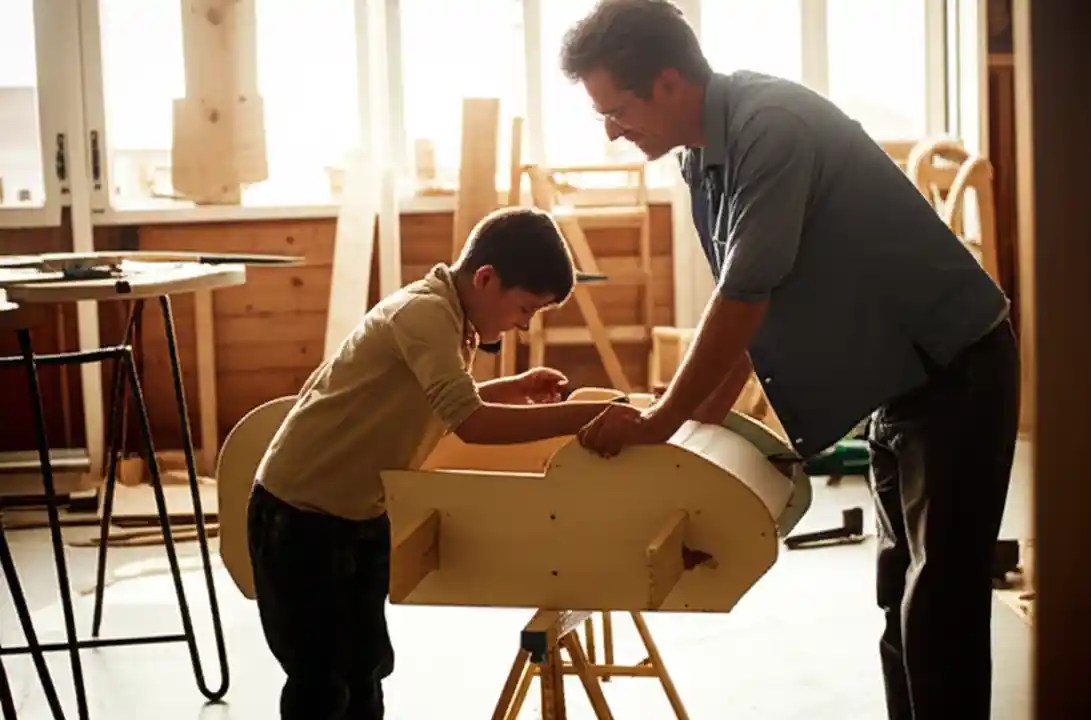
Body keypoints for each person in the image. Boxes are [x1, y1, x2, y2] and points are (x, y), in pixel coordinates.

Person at [559, 2, 1021, 719]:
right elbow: (748, 313)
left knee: (941, 605)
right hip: (899, 384)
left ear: (671, 83)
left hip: (956, 370)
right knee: (899, 596)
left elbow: (745, 294)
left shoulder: (768, 127)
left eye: (617, 111)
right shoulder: (700, 161)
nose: (614, 131)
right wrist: (694, 430)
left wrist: (657, 422)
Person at [245, 206, 639, 720]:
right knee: (320, 679)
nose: (522, 325)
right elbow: (469, 422)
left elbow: (438, 398)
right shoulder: (424, 314)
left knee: (364, 668)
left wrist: (512, 389)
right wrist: (583, 415)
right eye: (526, 309)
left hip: (355, 514)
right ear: (486, 278)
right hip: (297, 514)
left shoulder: (453, 315)